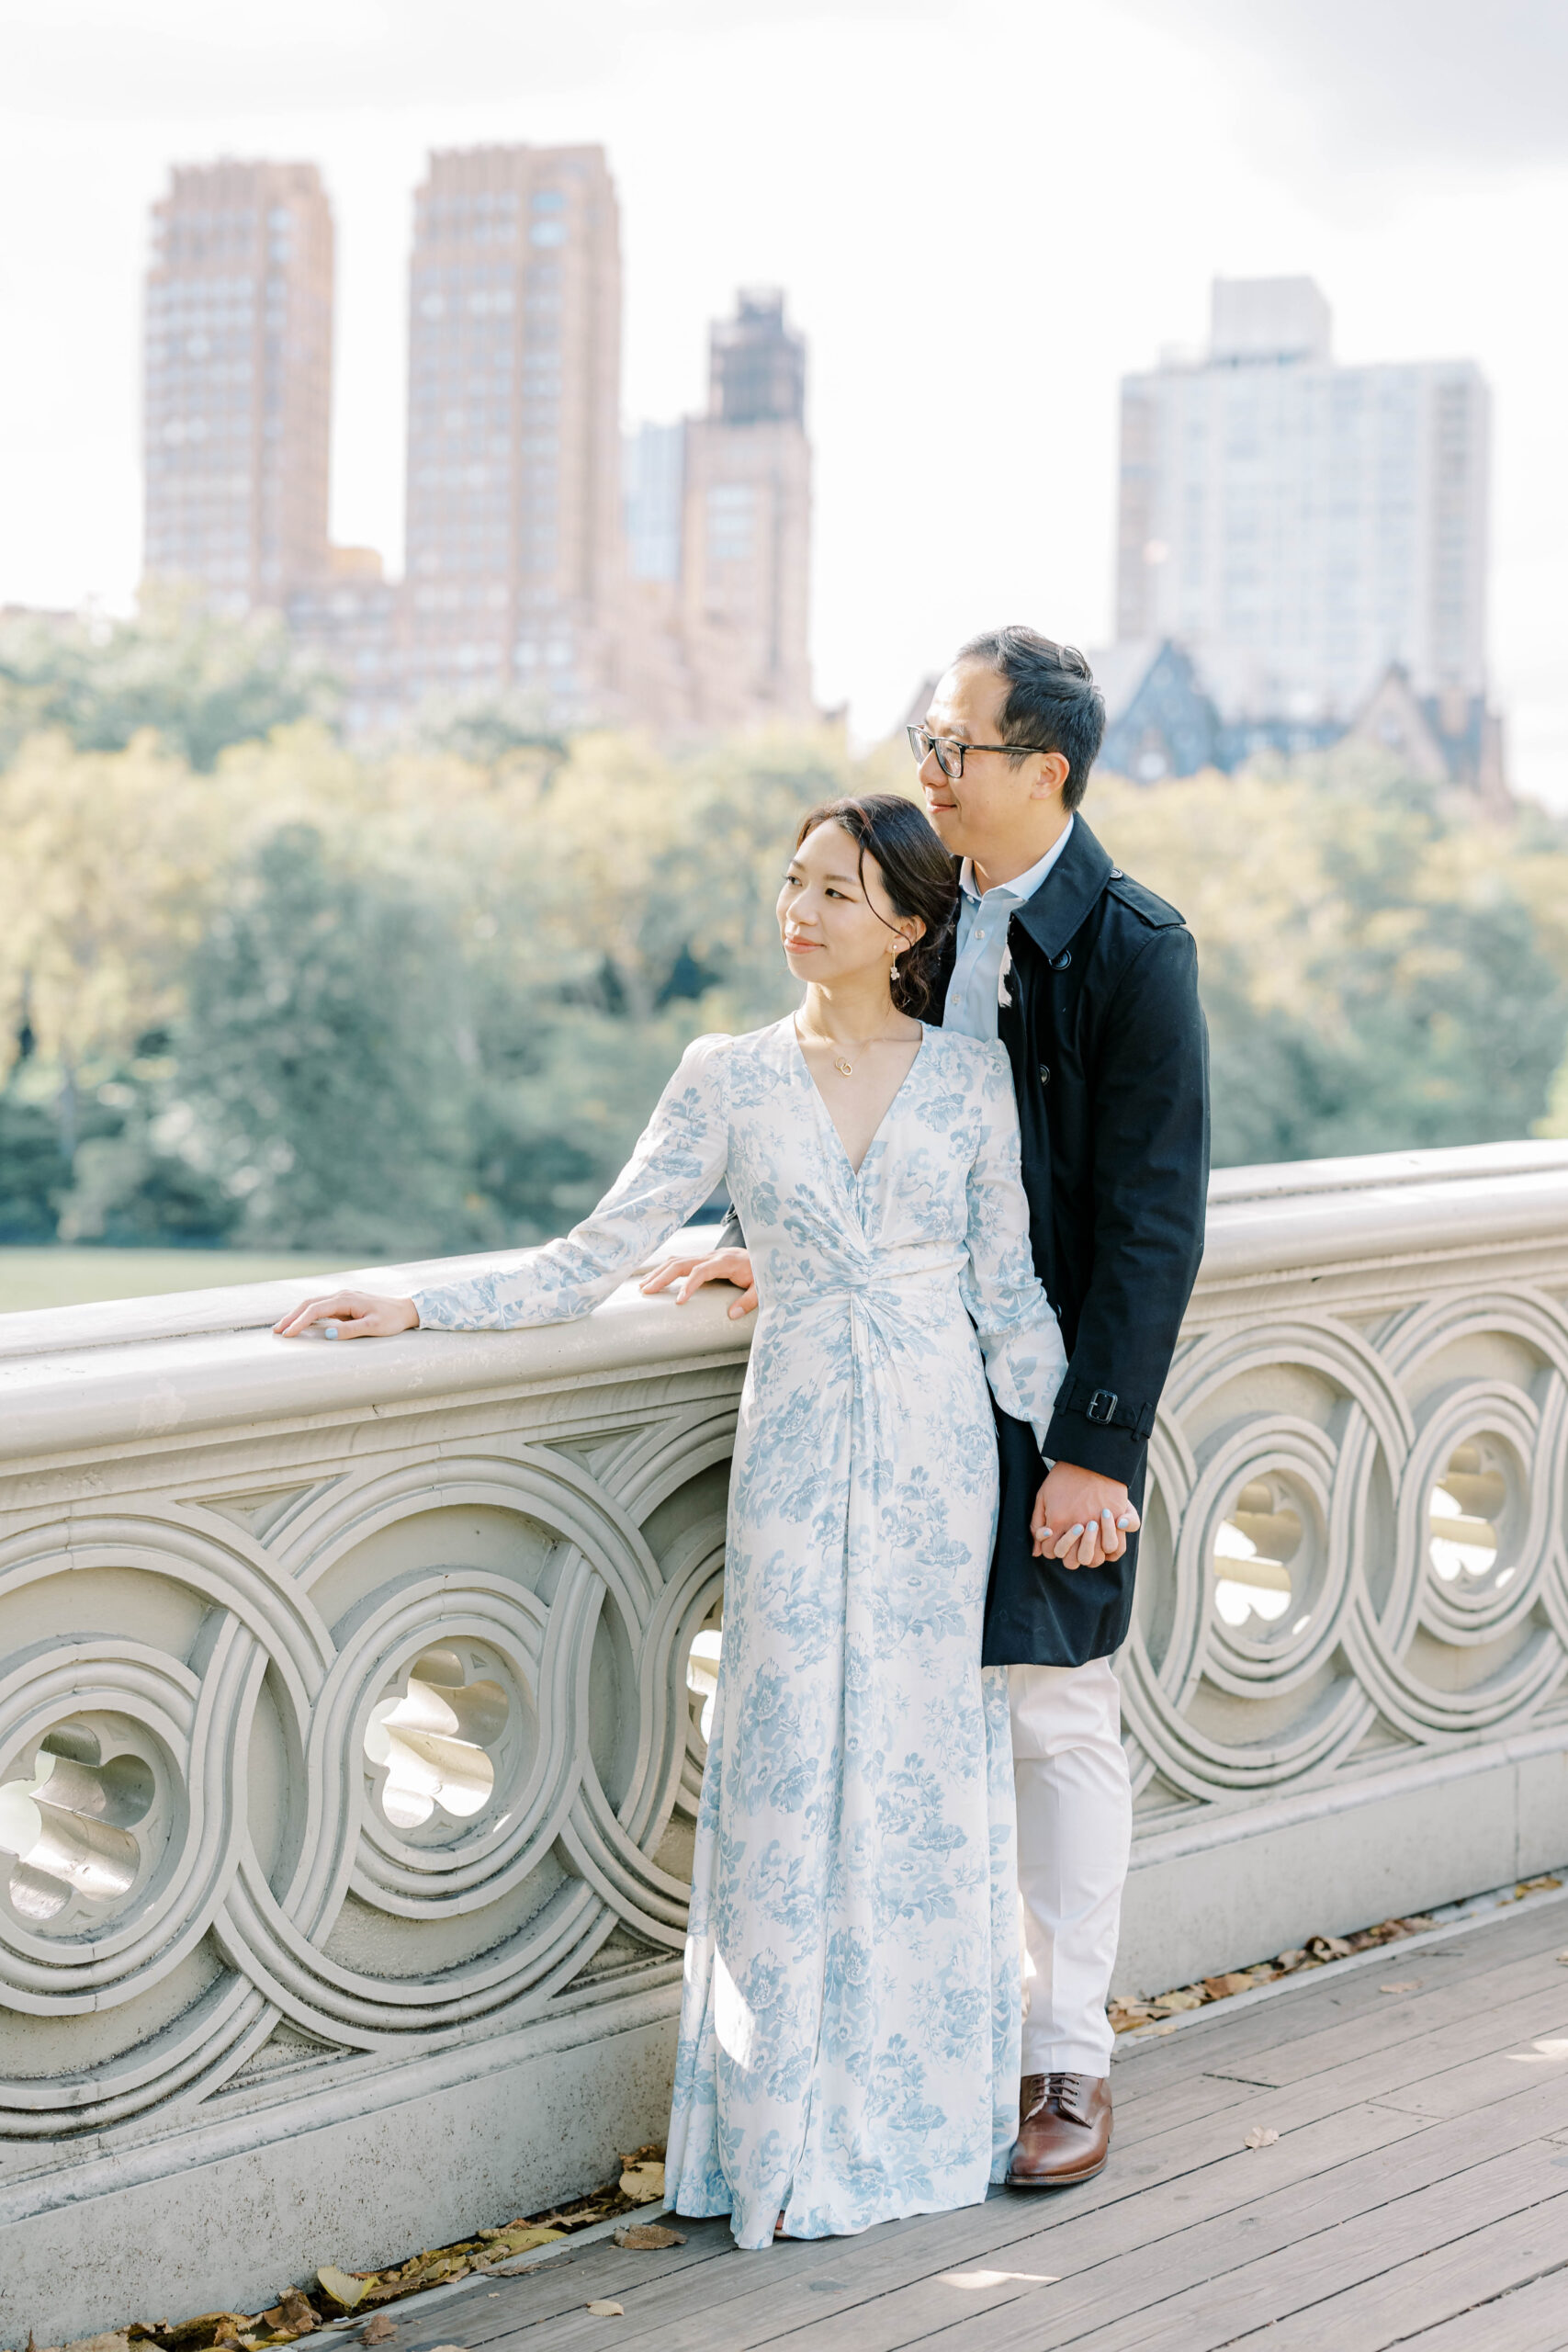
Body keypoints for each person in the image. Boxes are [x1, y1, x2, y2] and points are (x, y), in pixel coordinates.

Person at [273, 794, 1100, 2249]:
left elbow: (1008, 1298)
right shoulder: (726, 1073)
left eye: (839, 893)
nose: (801, 910)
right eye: (793, 883)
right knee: (784, 1775)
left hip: (935, 1460)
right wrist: (416, 1301)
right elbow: (595, 1253)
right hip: (789, 1454)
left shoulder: (971, 1082)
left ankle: (913, 2114)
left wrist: (1098, 1463)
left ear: (908, 925)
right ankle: (774, 2133)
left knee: (918, 1775)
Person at [648, 628, 1210, 2190]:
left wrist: (1096, 1448)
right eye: (925, 738)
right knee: (921, 1732)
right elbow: (857, 1092)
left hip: (1051, 1384)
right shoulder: (924, 903)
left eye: (958, 745)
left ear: (1049, 770)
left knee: (1056, 1713)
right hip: (889, 1389)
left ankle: (1065, 2061)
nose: (930, 768)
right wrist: (776, 1241)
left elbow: (1156, 1221)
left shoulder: (1138, 951)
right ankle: (904, 2062)